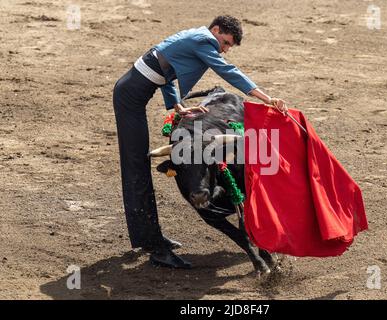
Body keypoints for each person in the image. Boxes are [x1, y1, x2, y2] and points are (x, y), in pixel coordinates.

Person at [113, 15, 288, 269]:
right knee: (137, 168)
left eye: (228, 46)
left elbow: (164, 71)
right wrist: (267, 98)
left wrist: (179, 106)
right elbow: (228, 71)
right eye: (225, 42)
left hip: (132, 94)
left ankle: (152, 237)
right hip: (129, 100)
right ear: (215, 30)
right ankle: (155, 248)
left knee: (139, 168)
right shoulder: (204, 40)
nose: (225, 49)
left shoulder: (196, 37)